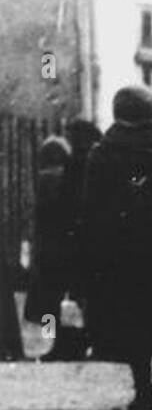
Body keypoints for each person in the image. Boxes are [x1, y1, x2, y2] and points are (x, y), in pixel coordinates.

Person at [80, 86, 152, 410]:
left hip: (121, 252)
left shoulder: (103, 153)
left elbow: (92, 210)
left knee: (131, 320)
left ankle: (143, 392)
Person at [23, 136, 78, 360]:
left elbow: (39, 218)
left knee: (48, 301)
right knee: (67, 298)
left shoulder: (44, 180)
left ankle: (50, 340)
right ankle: (70, 341)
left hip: (48, 249)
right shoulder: (70, 179)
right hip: (67, 247)